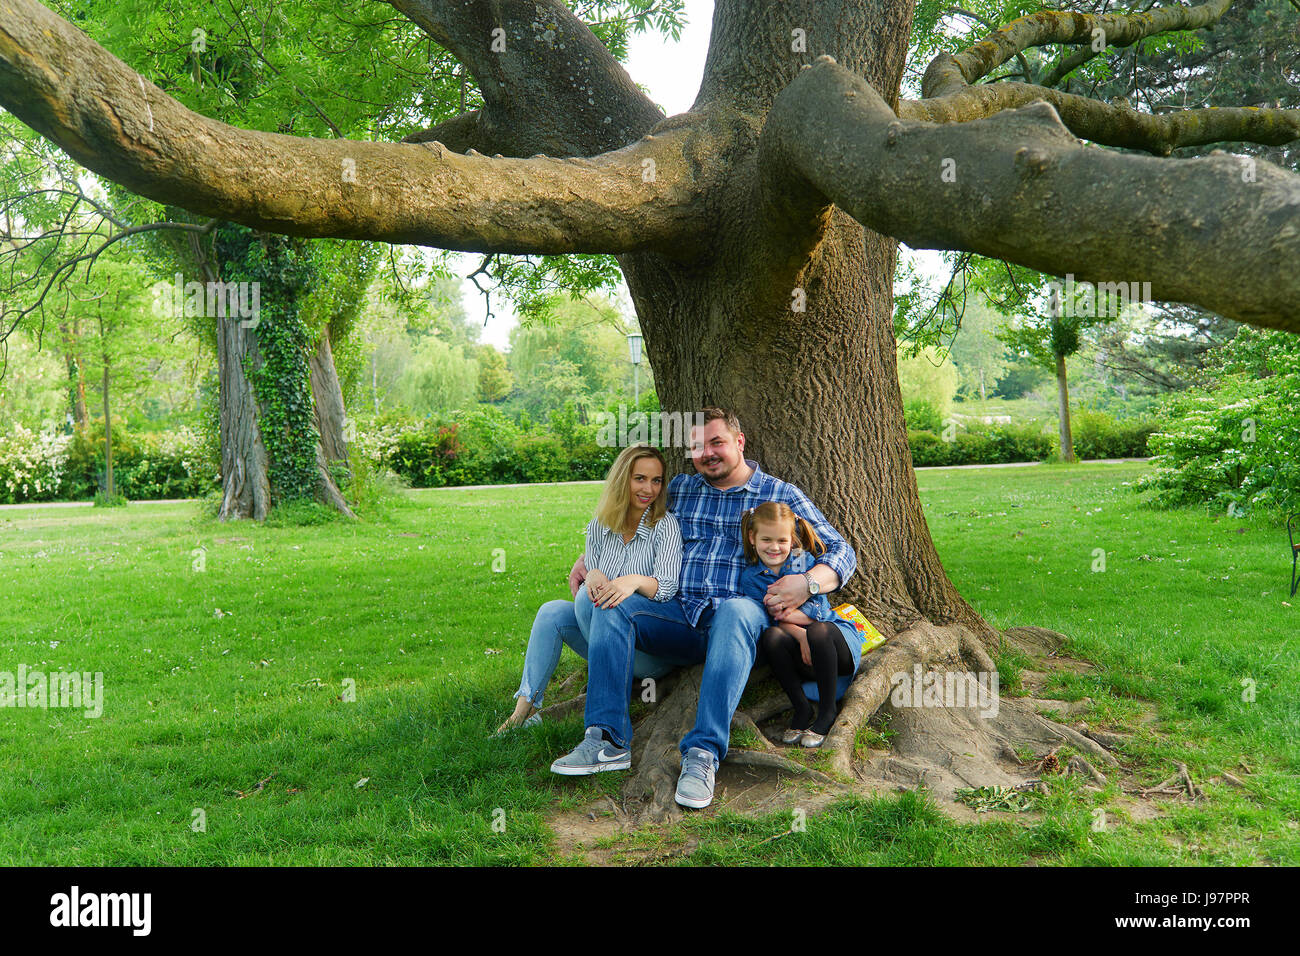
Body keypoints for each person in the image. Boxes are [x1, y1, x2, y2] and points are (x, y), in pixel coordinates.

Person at [551, 408, 856, 808]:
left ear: (739, 442)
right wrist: (589, 558)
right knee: (613, 603)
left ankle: (703, 753)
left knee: (734, 610)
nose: (707, 453)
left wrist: (807, 583)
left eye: (717, 442)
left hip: (740, 619)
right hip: (678, 614)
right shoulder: (680, 489)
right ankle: (607, 740)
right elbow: (629, 523)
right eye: (697, 446)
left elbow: (841, 551)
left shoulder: (780, 494)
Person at [496, 443, 682, 736]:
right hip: (603, 640)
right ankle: (524, 710)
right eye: (640, 478)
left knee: (587, 597)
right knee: (552, 612)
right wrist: (593, 572)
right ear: (623, 479)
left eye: (656, 480)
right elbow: (592, 588)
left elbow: (668, 587)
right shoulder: (598, 527)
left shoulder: (665, 526)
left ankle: (609, 706)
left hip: (648, 651)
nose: (649, 488)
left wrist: (633, 580)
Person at [738, 502, 862, 748]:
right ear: (752, 538)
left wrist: (786, 616)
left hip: (834, 646)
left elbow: (820, 611)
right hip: (800, 654)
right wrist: (798, 633)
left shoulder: (801, 562)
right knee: (772, 636)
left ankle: (827, 712)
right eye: (766, 540)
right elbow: (766, 619)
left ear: (791, 539)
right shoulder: (750, 577)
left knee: (817, 630)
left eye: (782, 541)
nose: (774, 548)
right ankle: (802, 709)